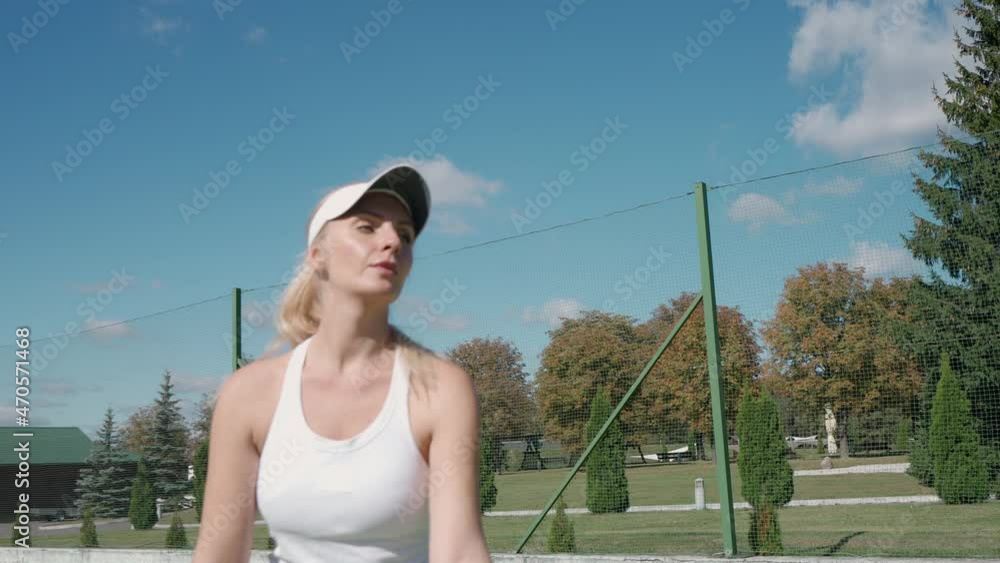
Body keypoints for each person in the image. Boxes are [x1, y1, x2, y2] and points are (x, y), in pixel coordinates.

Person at [192, 165, 492, 563]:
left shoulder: (442, 388)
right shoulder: (248, 394)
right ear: (318, 255)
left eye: (404, 234)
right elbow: (218, 553)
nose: (392, 242)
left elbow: (459, 552)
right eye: (367, 227)